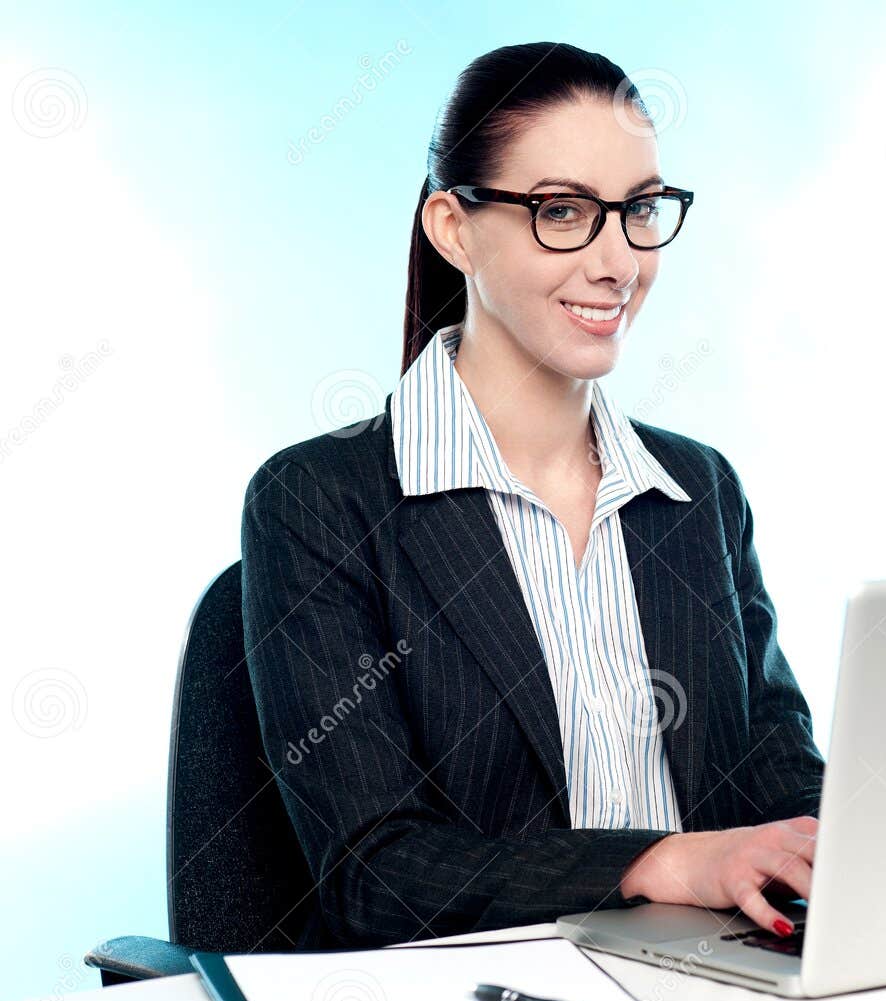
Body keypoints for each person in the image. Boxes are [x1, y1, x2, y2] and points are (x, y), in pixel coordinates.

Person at [241, 42, 821, 950]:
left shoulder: (696, 491)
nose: (617, 260)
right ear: (454, 227)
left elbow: (778, 781)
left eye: (640, 210)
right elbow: (373, 871)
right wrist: (658, 861)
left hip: (722, 983)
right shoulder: (321, 500)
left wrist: (883, 835)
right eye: (564, 212)